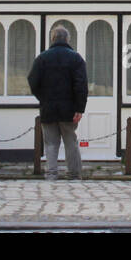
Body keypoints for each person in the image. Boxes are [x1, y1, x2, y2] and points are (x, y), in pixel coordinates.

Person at [27, 25, 88, 180]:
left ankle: (51, 173)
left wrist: (42, 98)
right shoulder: (76, 58)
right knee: (70, 141)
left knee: (50, 143)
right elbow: (81, 85)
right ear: (67, 39)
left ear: (52, 39)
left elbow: (32, 81)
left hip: (48, 107)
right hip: (69, 108)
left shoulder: (42, 58)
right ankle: (73, 174)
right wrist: (79, 108)